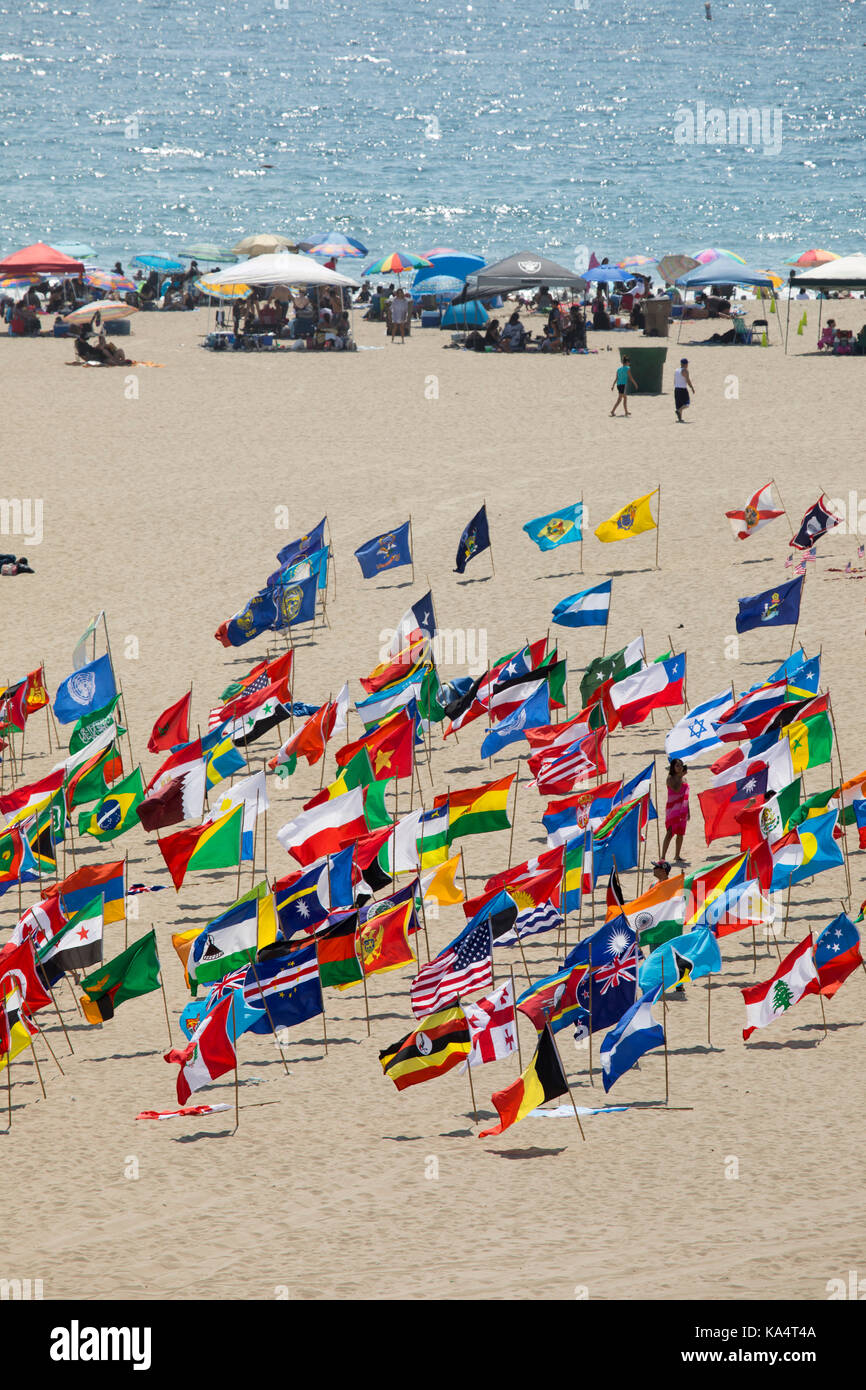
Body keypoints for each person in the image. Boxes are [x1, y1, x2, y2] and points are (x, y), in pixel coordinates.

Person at [661, 758, 689, 863]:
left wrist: (688, 809)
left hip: (683, 808)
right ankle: (663, 856)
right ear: (673, 767)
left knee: (681, 833)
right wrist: (681, 776)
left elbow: (685, 795)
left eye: (681, 765)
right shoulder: (670, 778)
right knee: (670, 832)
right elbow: (676, 789)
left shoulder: (684, 779)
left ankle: (677, 855)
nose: (680, 767)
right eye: (677, 766)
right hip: (672, 809)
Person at [674, 357, 695, 422]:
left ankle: (680, 419)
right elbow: (687, 380)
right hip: (682, 389)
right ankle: (678, 411)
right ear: (685, 364)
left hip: (676, 389)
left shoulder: (676, 370)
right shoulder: (685, 370)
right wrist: (691, 387)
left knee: (679, 405)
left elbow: (674, 380)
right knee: (686, 404)